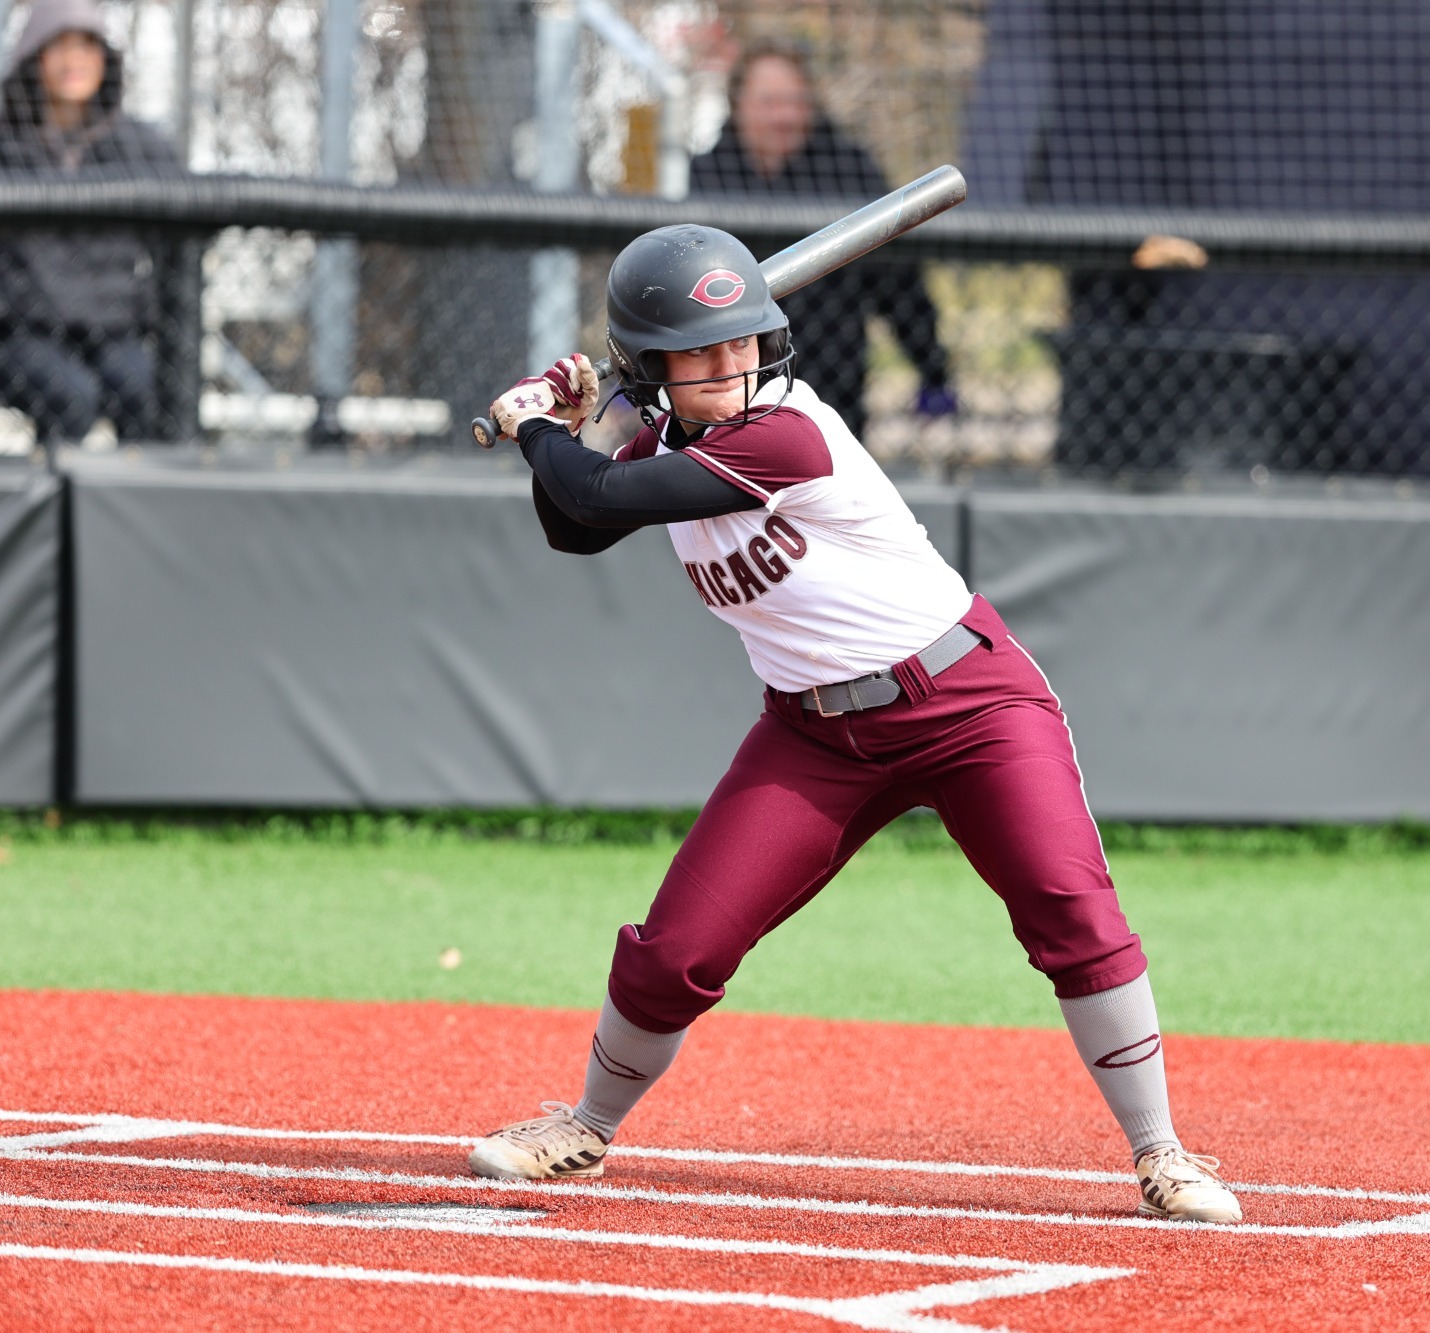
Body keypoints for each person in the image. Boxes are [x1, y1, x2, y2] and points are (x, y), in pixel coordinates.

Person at [465, 224, 1243, 1224]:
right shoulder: (661, 440)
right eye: (698, 354)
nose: (728, 365)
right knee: (675, 948)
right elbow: (571, 525)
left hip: (967, 704)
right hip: (814, 734)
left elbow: (589, 488)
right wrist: (588, 421)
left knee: (1068, 909)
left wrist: (540, 425)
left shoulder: (784, 430)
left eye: (740, 342)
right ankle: (584, 1126)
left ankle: (1162, 1153)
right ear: (651, 367)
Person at [0, 0, 179, 443]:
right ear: (32, 57)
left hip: (111, 329)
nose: (74, 61)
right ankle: (56, 511)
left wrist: (142, 310)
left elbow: (175, 249)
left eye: (86, 46)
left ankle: (138, 507)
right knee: (69, 394)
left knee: (145, 389)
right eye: (58, 46)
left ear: (105, 60)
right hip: (17, 331)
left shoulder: (142, 149)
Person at [689, 40, 955, 442]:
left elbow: (898, 282)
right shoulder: (706, 178)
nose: (785, 115)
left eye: (796, 101)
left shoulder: (848, 171)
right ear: (738, 105)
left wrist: (931, 368)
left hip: (831, 390)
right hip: (726, 393)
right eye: (770, 101)